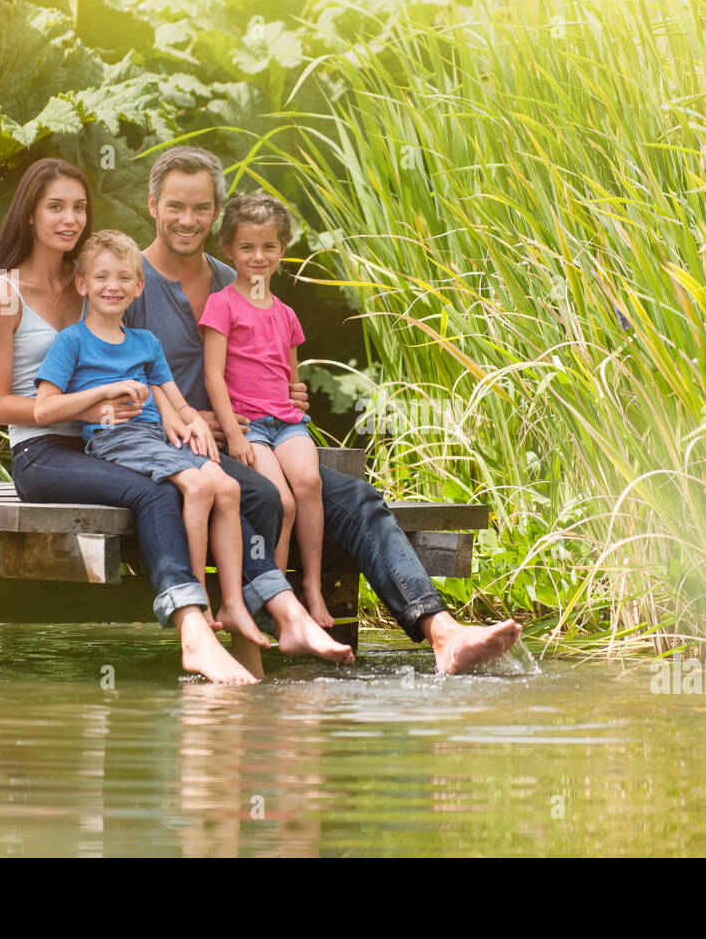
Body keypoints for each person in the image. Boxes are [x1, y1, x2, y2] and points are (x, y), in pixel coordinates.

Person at [127, 146, 522, 673]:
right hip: (186, 452)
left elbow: (270, 348)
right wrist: (197, 419)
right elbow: (113, 380)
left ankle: (441, 631)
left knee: (357, 498)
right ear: (152, 204)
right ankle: (260, 648)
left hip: (261, 434)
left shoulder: (237, 275)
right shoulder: (126, 282)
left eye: (201, 208)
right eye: (176, 206)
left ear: (217, 214)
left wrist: (288, 390)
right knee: (265, 497)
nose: (188, 220)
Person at [0, 158, 347, 684]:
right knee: (161, 492)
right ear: (29, 215)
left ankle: (263, 626)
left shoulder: (97, 281)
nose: (69, 218)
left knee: (256, 492)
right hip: (47, 450)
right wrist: (92, 405)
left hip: (118, 438)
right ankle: (193, 628)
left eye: (79, 207)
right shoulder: (4, 292)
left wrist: (262, 396)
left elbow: (147, 369)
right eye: (54, 207)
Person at [32, 229, 282, 672]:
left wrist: (194, 426)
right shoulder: (72, 341)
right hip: (115, 439)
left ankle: (234, 603)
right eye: (102, 277)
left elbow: (178, 400)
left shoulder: (146, 342)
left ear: (139, 286)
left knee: (226, 487)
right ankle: (199, 603)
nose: (114, 286)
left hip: (159, 438)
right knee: (199, 487)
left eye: (125, 277)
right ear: (82, 283)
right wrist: (104, 392)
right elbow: (44, 410)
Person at [200, 195, 333, 629]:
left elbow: (291, 381)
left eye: (269, 247)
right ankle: (272, 601)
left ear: (283, 249)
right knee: (282, 502)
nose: (258, 257)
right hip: (250, 426)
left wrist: (296, 397)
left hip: (287, 423)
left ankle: (310, 586)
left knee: (309, 482)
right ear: (228, 250)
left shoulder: (287, 314)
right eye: (247, 248)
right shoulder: (222, 305)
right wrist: (234, 436)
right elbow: (213, 377)